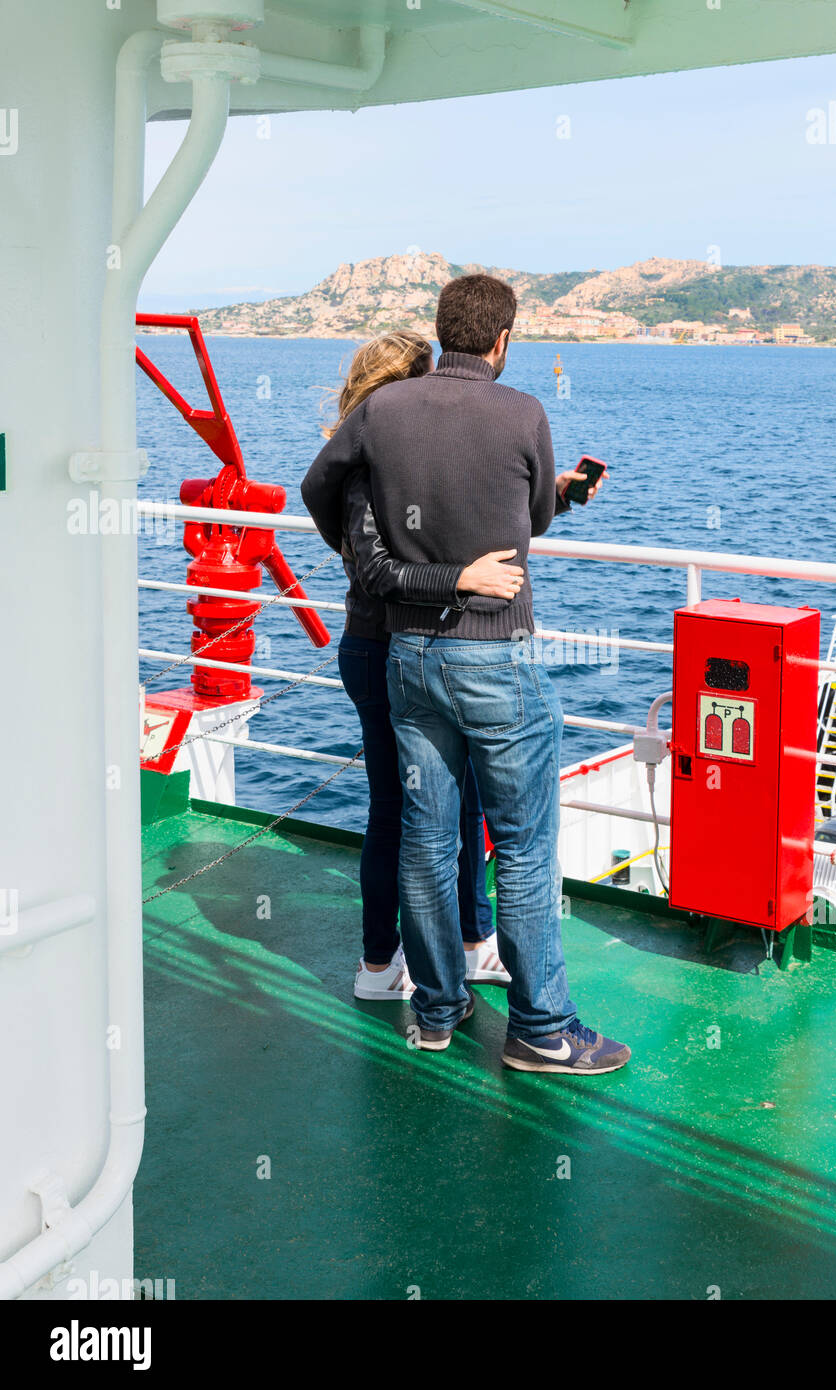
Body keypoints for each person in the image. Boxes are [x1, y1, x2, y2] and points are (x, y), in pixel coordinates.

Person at [303, 277, 630, 1076]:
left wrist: (361, 554)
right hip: (493, 655)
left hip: (409, 658)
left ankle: (438, 1008)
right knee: (520, 846)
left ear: (442, 330)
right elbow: (533, 522)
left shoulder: (384, 413)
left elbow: (320, 486)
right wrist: (543, 505)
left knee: (422, 835)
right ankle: (541, 1028)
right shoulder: (524, 413)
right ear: (502, 341)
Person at [311, 330, 521, 1001]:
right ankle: (378, 965)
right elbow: (376, 574)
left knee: (461, 809)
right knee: (392, 809)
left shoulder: (396, 459)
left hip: (423, 648)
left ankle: (470, 941)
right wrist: (464, 579)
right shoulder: (364, 471)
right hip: (380, 649)